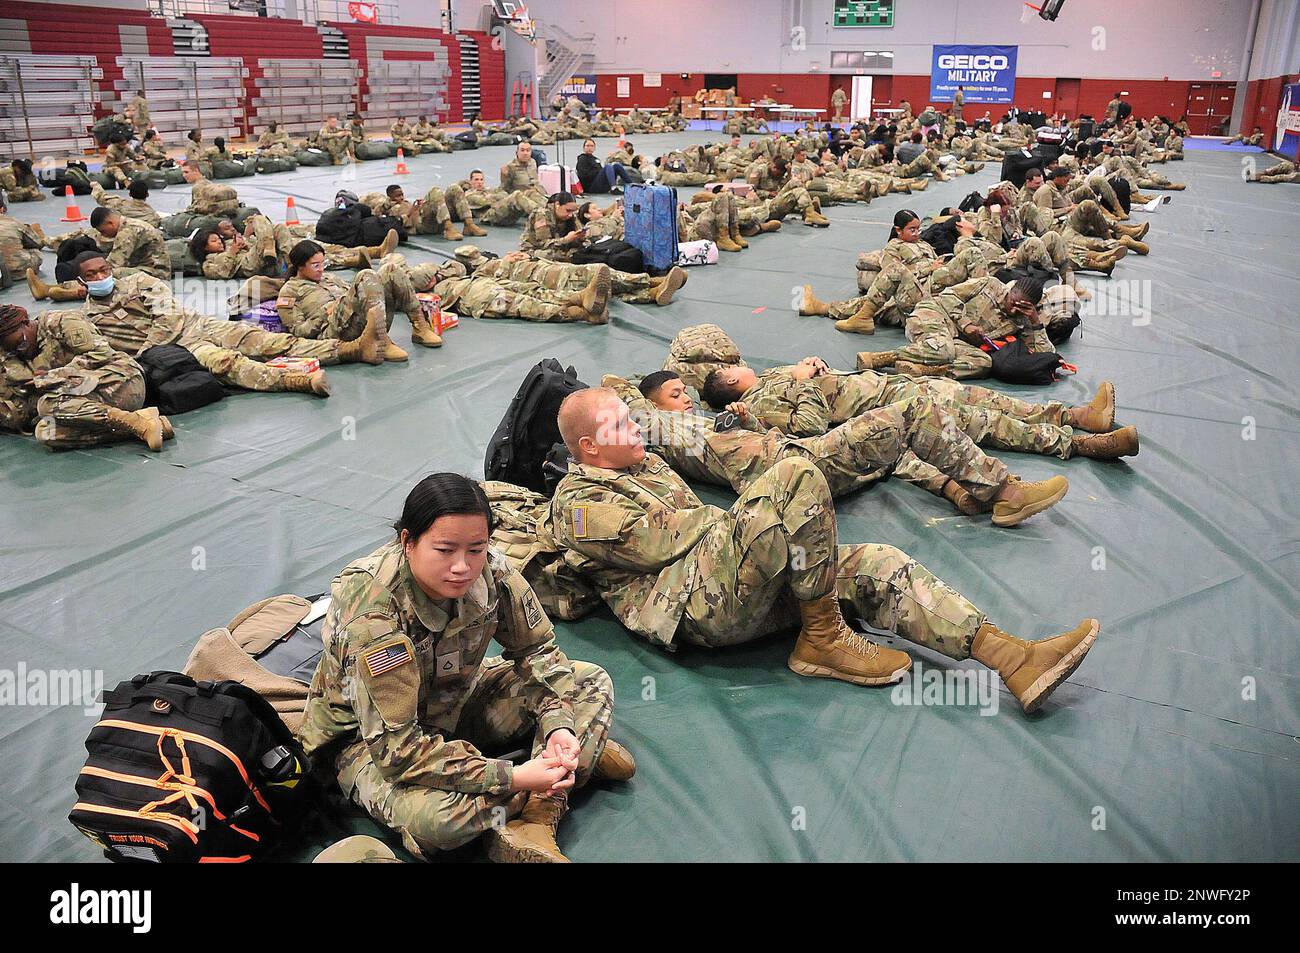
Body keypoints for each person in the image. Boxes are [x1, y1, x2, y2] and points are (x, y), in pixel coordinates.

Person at [549, 388, 1099, 711]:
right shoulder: (577, 504)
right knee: (792, 479)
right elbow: (666, 543)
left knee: (876, 564)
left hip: (729, 575)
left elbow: (706, 454)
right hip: (697, 605)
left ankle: (1011, 658)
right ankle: (822, 638)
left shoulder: (638, 457)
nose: (636, 423)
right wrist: (763, 518)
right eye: (621, 422)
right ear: (590, 447)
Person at [297, 472, 632, 862]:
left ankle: (538, 809)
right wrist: (512, 776)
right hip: (369, 746)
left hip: (453, 701)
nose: (463, 566)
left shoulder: (491, 570)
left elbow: (538, 650)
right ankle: (567, 769)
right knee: (438, 823)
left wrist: (557, 722)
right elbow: (399, 751)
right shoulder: (373, 610)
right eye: (445, 550)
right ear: (408, 542)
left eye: (476, 549)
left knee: (588, 681)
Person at [695, 357, 1137, 462]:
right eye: (733, 366)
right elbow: (809, 426)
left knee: (985, 399)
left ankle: (1075, 416)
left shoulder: (774, 378)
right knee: (982, 421)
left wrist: (810, 369)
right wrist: (807, 381)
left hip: (891, 386)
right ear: (732, 381)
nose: (740, 363)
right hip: (892, 406)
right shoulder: (759, 401)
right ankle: (1080, 444)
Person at [73, 253, 383, 396]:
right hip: (179, 351)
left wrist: (144, 350)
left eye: (104, 270)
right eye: (92, 275)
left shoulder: (139, 281)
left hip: (198, 326)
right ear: (80, 281)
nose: (101, 278)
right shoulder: (88, 320)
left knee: (267, 341)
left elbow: (166, 317)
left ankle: (351, 349)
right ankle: (297, 381)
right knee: (227, 364)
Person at [0, 304, 169, 452]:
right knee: (46, 432)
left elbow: (101, 353)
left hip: (120, 381)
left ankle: (134, 422)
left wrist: (52, 376)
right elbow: (18, 394)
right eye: (12, 350)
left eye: (21, 343)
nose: (20, 351)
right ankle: (146, 425)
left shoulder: (63, 322)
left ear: (27, 323)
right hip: (80, 401)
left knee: (47, 404)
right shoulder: (8, 352)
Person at [275, 240, 430, 356]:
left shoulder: (329, 278)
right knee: (365, 275)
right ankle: (381, 340)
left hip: (357, 319)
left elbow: (358, 293)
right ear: (300, 267)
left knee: (390, 269)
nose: (321, 269)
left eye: (323, 264)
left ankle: (419, 325)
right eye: (316, 265)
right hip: (333, 330)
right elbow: (298, 332)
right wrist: (323, 313)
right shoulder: (289, 291)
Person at [0, 191, 44, 287]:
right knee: (36, 253)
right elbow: (37, 243)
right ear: (2, 209)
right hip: (17, 272)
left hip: (3, 274)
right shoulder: (13, 222)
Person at [90, 180, 160, 227]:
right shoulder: (152, 213)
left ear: (130, 194)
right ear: (147, 194)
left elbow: (102, 197)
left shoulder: (120, 204)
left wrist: (95, 185)